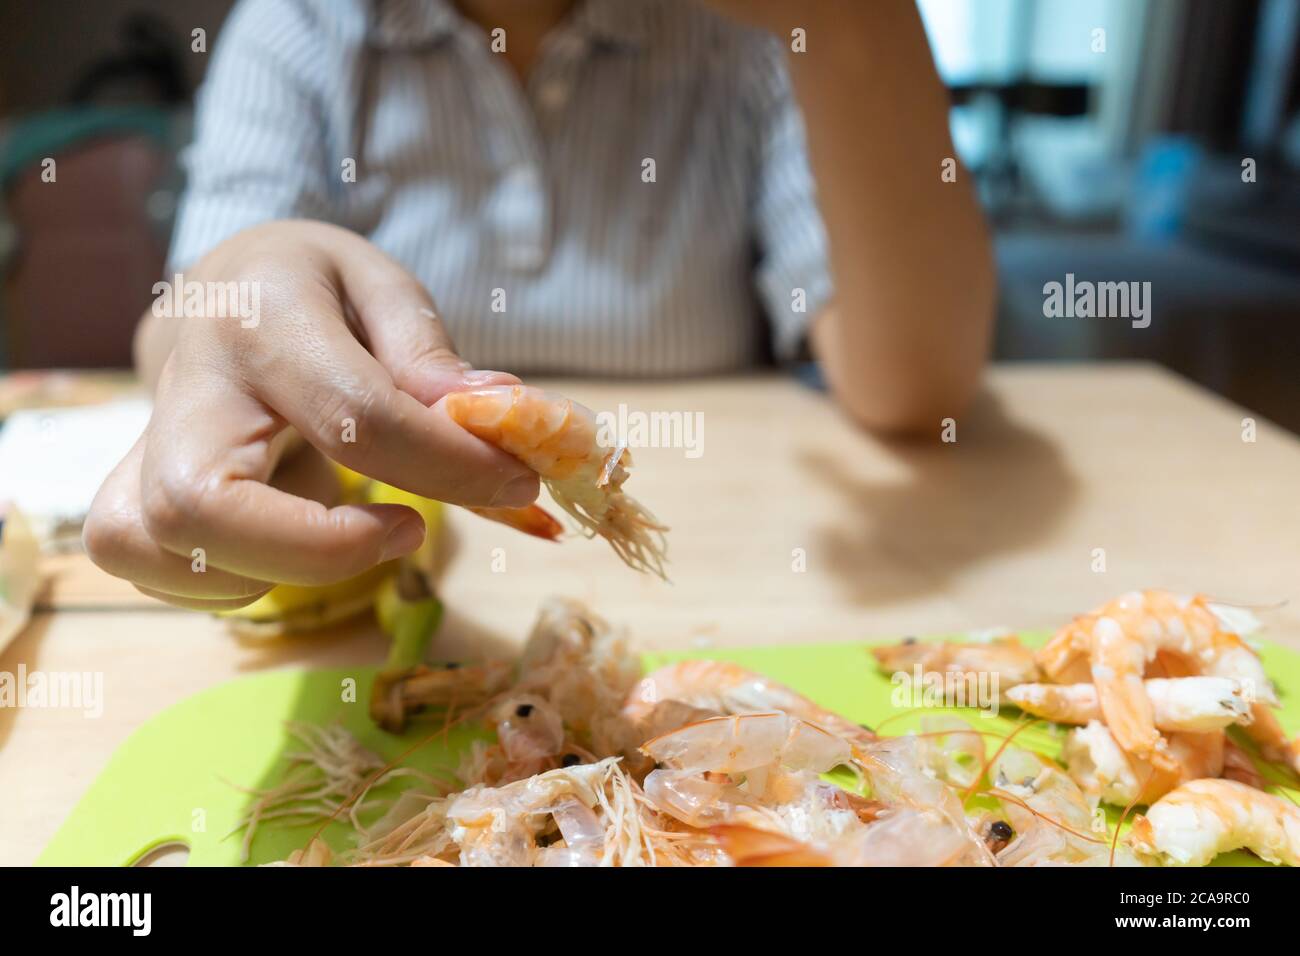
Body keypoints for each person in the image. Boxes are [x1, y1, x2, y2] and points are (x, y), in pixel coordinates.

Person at [84, 0, 995, 609]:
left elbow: (912, 386)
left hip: (746, 580)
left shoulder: (754, 33)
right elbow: (179, 340)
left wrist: (848, 23)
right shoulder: (302, 23)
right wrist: (237, 287)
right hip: (415, 588)